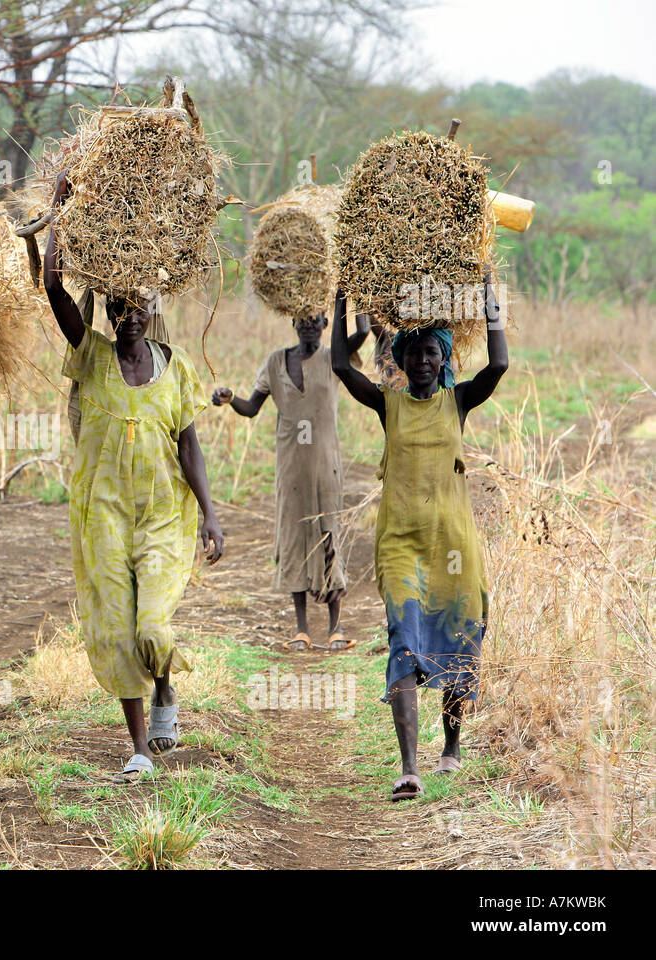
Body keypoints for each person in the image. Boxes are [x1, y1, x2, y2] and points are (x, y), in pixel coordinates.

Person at [45, 170, 224, 780]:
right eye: (120, 309)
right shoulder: (91, 356)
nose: (130, 318)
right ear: (112, 310)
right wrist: (58, 211)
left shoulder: (174, 370)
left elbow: (189, 445)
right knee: (120, 629)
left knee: (152, 624)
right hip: (101, 514)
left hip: (163, 512)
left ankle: (167, 687)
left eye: (140, 309)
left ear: (152, 311)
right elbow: (53, 288)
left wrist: (211, 514)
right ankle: (140, 745)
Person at [330, 268, 507, 801]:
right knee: (403, 643)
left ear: (445, 360)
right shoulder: (390, 405)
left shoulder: (460, 403)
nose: (424, 361)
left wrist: (486, 291)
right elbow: (340, 363)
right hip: (402, 547)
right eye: (414, 352)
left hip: (454, 548)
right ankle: (409, 766)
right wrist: (342, 293)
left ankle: (451, 746)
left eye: (433, 352)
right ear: (401, 360)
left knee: (457, 645)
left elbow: (499, 363)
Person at [212, 310, 369, 651]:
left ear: (327, 325)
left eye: (316, 319)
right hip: (290, 465)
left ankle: (335, 627)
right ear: (292, 323)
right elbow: (252, 407)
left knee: (328, 534)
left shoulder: (334, 359)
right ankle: (301, 628)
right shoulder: (275, 362)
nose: (309, 325)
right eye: (302, 319)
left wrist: (348, 294)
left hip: (325, 464)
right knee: (294, 535)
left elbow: (363, 331)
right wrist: (229, 400)